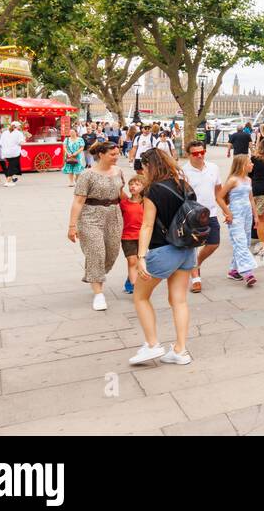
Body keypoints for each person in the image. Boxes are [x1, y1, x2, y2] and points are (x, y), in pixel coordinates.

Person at [129, 148, 196, 366]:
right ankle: (180, 350)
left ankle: (152, 344)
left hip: (163, 250)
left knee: (140, 297)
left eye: (144, 167)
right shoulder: (184, 185)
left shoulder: (154, 190)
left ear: (149, 166)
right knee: (179, 300)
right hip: (186, 249)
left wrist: (140, 257)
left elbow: (147, 225)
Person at [66, 141, 125, 311]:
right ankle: (98, 293)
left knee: (111, 252)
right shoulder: (87, 175)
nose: (116, 157)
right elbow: (78, 201)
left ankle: (95, 273)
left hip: (114, 215)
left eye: (117, 153)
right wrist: (72, 226)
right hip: (90, 216)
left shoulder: (119, 171)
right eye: (112, 154)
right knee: (96, 252)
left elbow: (121, 194)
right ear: (101, 155)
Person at [178, 139, 226, 293]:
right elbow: (180, 196)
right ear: (188, 154)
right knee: (192, 246)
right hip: (192, 215)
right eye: (195, 153)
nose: (199, 156)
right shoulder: (182, 172)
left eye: (202, 152)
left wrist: (226, 209)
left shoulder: (213, 167)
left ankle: (196, 264)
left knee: (214, 243)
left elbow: (219, 190)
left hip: (210, 213)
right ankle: (196, 278)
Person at [218, 154, 258, 286]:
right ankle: (248, 273)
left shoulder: (248, 180)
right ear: (242, 165)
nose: (252, 164)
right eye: (250, 162)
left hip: (247, 214)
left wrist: (256, 216)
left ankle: (233, 270)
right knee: (240, 242)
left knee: (245, 242)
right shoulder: (233, 180)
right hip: (235, 214)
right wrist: (227, 213)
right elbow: (219, 197)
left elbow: (251, 198)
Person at [120, 175, 145, 295]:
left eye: (137, 184)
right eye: (131, 184)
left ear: (144, 187)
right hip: (127, 237)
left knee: (139, 262)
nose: (133, 186)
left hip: (142, 237)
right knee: (132, 261)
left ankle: (129, 282)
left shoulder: (146, 203)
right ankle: (136, 289)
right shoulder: (124, 203)